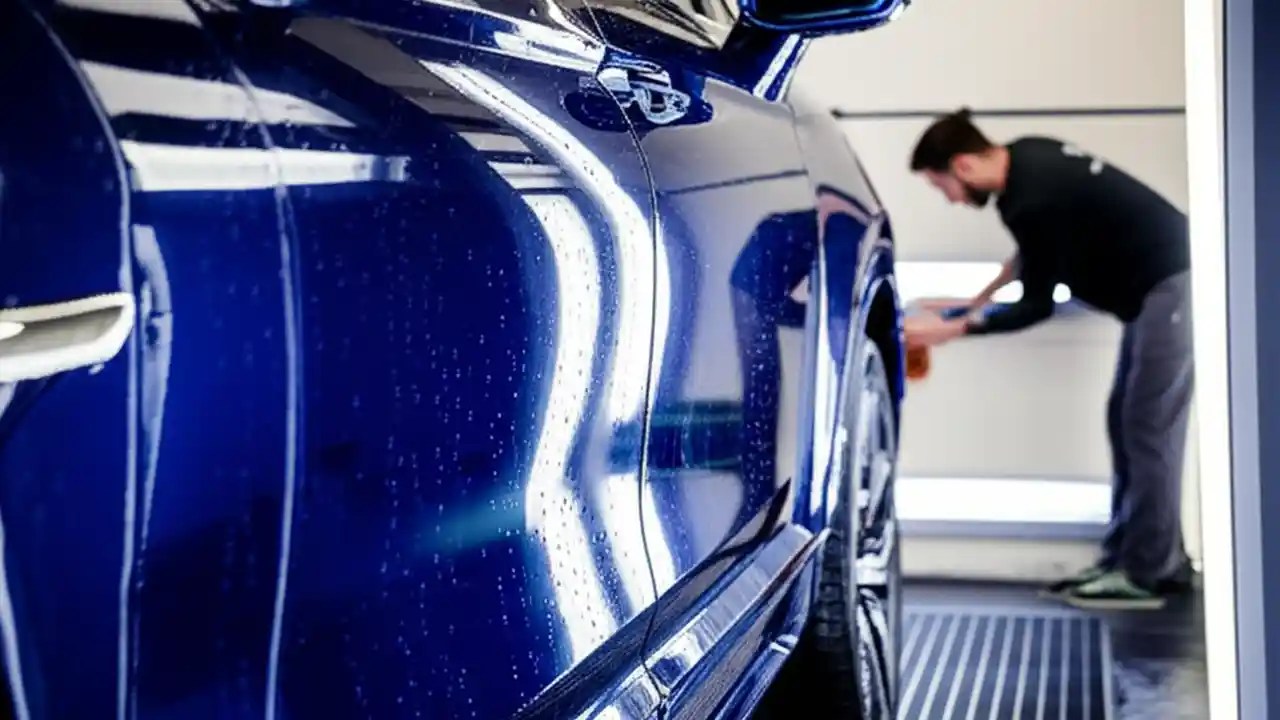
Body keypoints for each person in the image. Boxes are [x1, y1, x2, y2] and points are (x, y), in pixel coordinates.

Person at [902, 108, 1195, 610]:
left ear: (964, 166)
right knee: (1127, 422)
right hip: (1157, 293)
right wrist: (973, 303)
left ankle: (1149, 573)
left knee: (1147, 428)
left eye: (942, 185)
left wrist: (950, 330)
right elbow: (1030, 256)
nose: (950, 199)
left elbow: (1034, 307)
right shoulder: (1030, 155)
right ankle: (1131, 558)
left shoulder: (1028, 201)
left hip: (1171, 289)